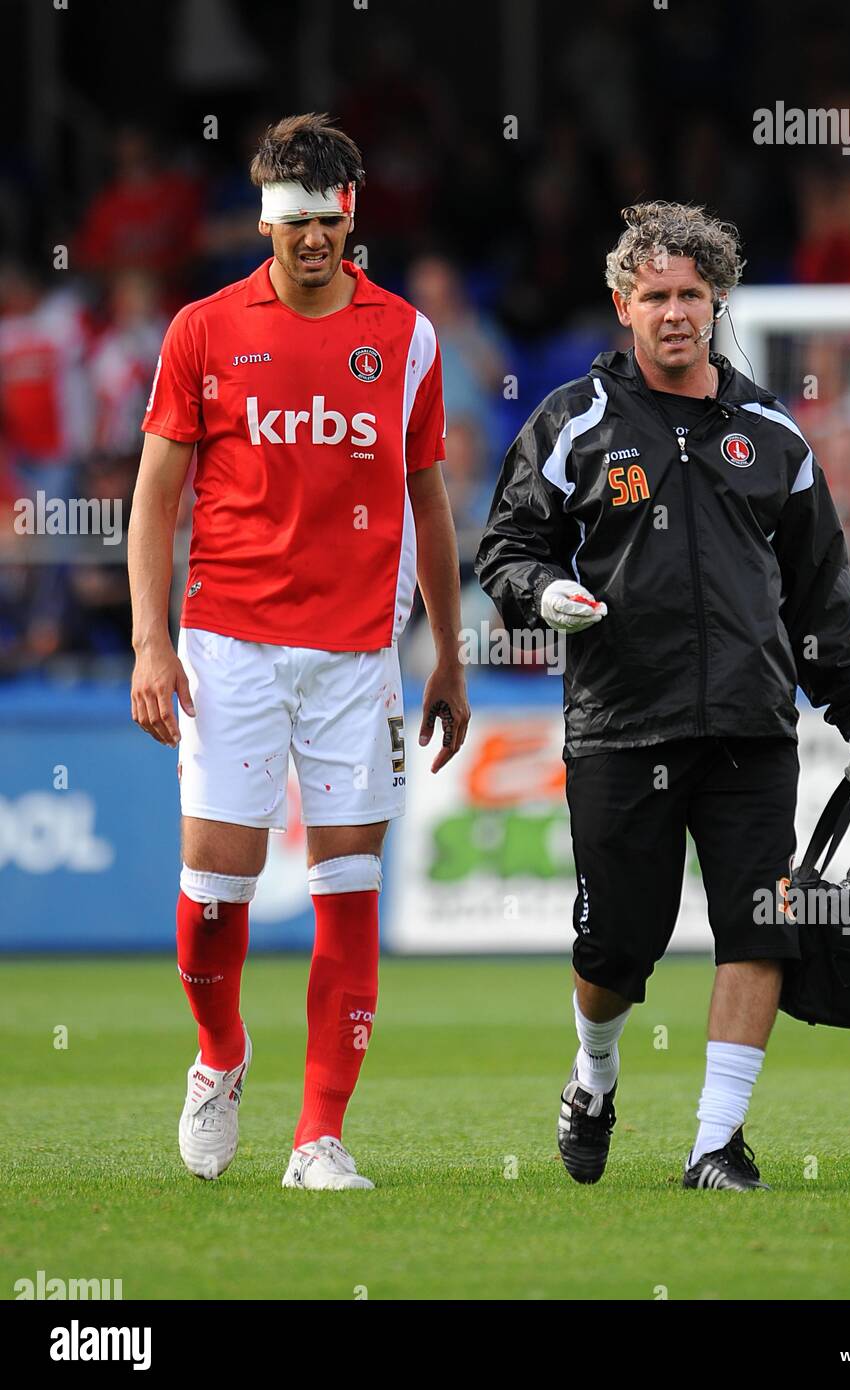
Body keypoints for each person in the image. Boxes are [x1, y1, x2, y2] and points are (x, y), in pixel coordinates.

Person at [476, 201, 850, 1192]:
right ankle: (594, 1074)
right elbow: (504, 548)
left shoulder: (770, 434)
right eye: (653, 294)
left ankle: (715, 1140)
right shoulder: (570, 421)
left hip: (752, 725)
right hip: (620, 724)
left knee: (759, 927)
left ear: (715, 303)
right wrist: (544, 594)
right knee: (617, 946)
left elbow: (816, 585)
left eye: (690, 295)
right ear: (622, 304)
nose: (673, 311)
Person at [128, 113, 469, 1191]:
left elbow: (429, 499)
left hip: (356, 655)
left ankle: (316, 1136)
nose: (311, 240)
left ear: (350, 214)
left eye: (328, 220)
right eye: (292, 222)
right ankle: (220, 1053)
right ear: (264, 220)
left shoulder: (406, 338)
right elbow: (154, 499)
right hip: (226, 643)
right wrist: (150, 638)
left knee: (347, 889)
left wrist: (447, 653)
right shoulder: (203, 330)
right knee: (213, 898)